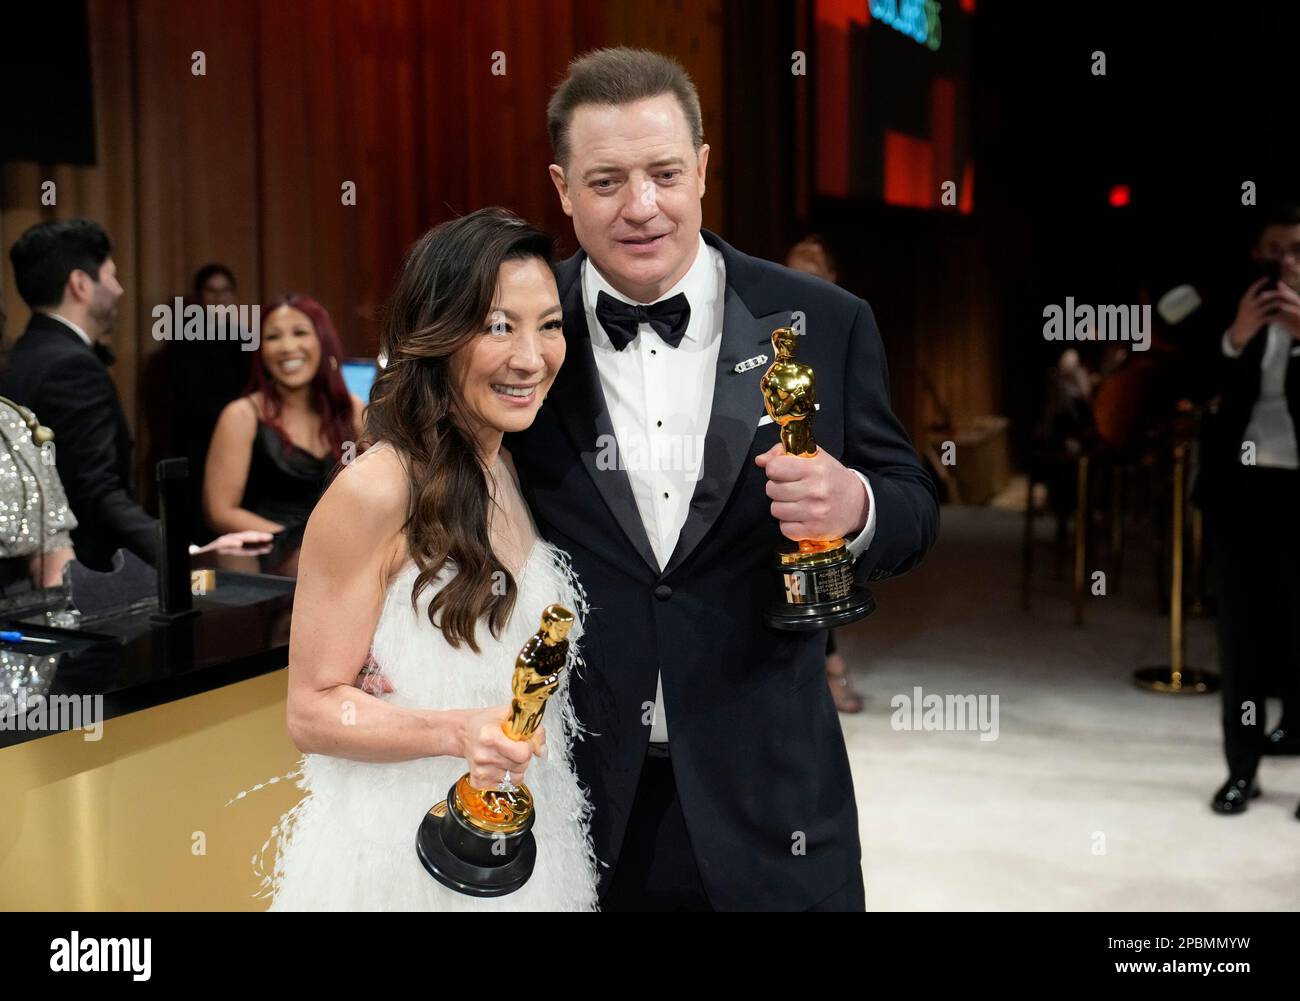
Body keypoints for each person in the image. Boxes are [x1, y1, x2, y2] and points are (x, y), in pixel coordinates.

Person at [504, 48, 938, 910]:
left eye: (665, 172)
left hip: (776, 799)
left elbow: (916, 503)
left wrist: (856, 504)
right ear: (561, 188)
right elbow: (442, 496)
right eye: (606, 181)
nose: (642, 207)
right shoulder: (516, 328)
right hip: (576, 799)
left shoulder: (826, 320)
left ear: (702, 167)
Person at [264, 208, 597, 911]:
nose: (532, 357)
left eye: (550, 324)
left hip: (521, 833)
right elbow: (311, 710)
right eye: (499, 325)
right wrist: (453, 729)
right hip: (402, 853)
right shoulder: (376, 489)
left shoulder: (506, 466)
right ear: (437, 332)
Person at [2, 219, 267, 571]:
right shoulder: (72, 367)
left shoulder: (19, 357)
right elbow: (97, 494)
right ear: (81, 284)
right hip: (77, 575)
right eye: (111, 275)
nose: (119, 289)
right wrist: (181, 553)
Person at [1200, 202, 1300, 817]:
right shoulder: (1232, 305)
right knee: (1240, 639)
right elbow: (1193, 387)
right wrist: (1235, 339)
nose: (1285, 262)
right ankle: (1242, 770)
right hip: (1240, 493)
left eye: (1296, 249)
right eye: (1273, 249)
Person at [203, 294, 363, 534]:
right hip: (273, 554)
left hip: (344, 547)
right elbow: (220, 512)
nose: (287, 347)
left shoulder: (352, 408)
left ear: (323, 340)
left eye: (299, 333)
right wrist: (299, 544)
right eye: (273, 337)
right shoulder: (241, 415)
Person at [785, 235, 864, 714]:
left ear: (832, 277)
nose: (800, 281)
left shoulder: (845, 329)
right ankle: (822, 667)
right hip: (783, 471)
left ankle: (829, 666)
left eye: (811, 271)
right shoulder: (767, 334)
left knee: (827, 563)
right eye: (792, 270)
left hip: (830, 468)